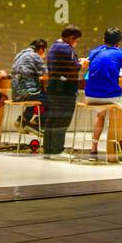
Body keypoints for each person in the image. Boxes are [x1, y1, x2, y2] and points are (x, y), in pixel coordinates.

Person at [85, 27, 122, 161]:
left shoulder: (95, 51)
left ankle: (93, 149)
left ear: (104, 40)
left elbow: (90, 67)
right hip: (110, 95)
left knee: (101, 113)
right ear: (119, 43)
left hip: (90, 96)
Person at [41, 25, 82, 156]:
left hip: (54, 87)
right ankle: (58, 149)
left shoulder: (53, 46)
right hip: (64, 89)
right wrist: (82, 64)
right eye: (76, 40)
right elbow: (72, 68)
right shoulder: (66, 48)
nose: (76, 43)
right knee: (62, 119)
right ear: (71, 37)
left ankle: (48, 149)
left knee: (52, 118)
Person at [10, 38, 49, 134]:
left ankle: (23, 120)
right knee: (51, 101)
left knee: (37, 99)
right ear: (41, 50)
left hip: (16, 95)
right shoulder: (35, 56)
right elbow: (46, 76)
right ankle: (35, 125)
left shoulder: (19, 55)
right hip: (28, 93)